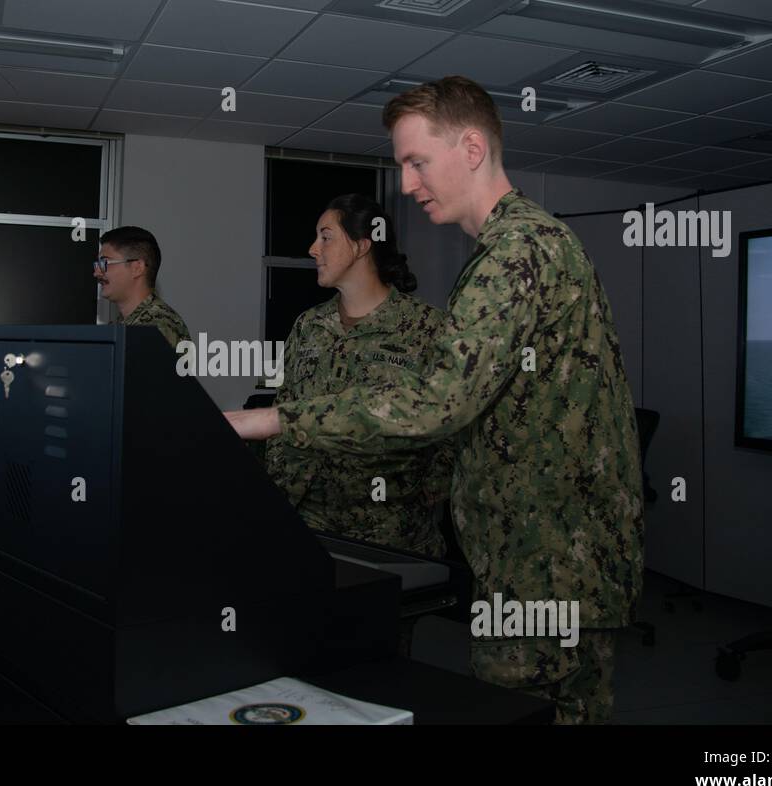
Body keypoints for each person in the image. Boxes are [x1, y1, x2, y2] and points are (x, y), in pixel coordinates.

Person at [225, 76, 644, 725]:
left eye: (417, 162)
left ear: (472, 148)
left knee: (518, 711)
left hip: (546, 564)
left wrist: (270, 417)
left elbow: (437, 401)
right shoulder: (519, 247)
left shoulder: (519, 251)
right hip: (543, 559)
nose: (410, 183)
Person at [264, 193, 454, 563]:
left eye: (326, 236)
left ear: (362, 245)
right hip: (307, 521)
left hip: (389, 531)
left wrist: (431, 487)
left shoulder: (426, 328)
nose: (313, 248)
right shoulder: (310, 325)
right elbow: (283, 407)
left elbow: (455, 419)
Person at [94, 226, 191, 349]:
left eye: (104, 263)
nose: (97, 272)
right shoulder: (123, 324)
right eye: (97, 265)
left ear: (137, 268)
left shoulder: (158, 327)